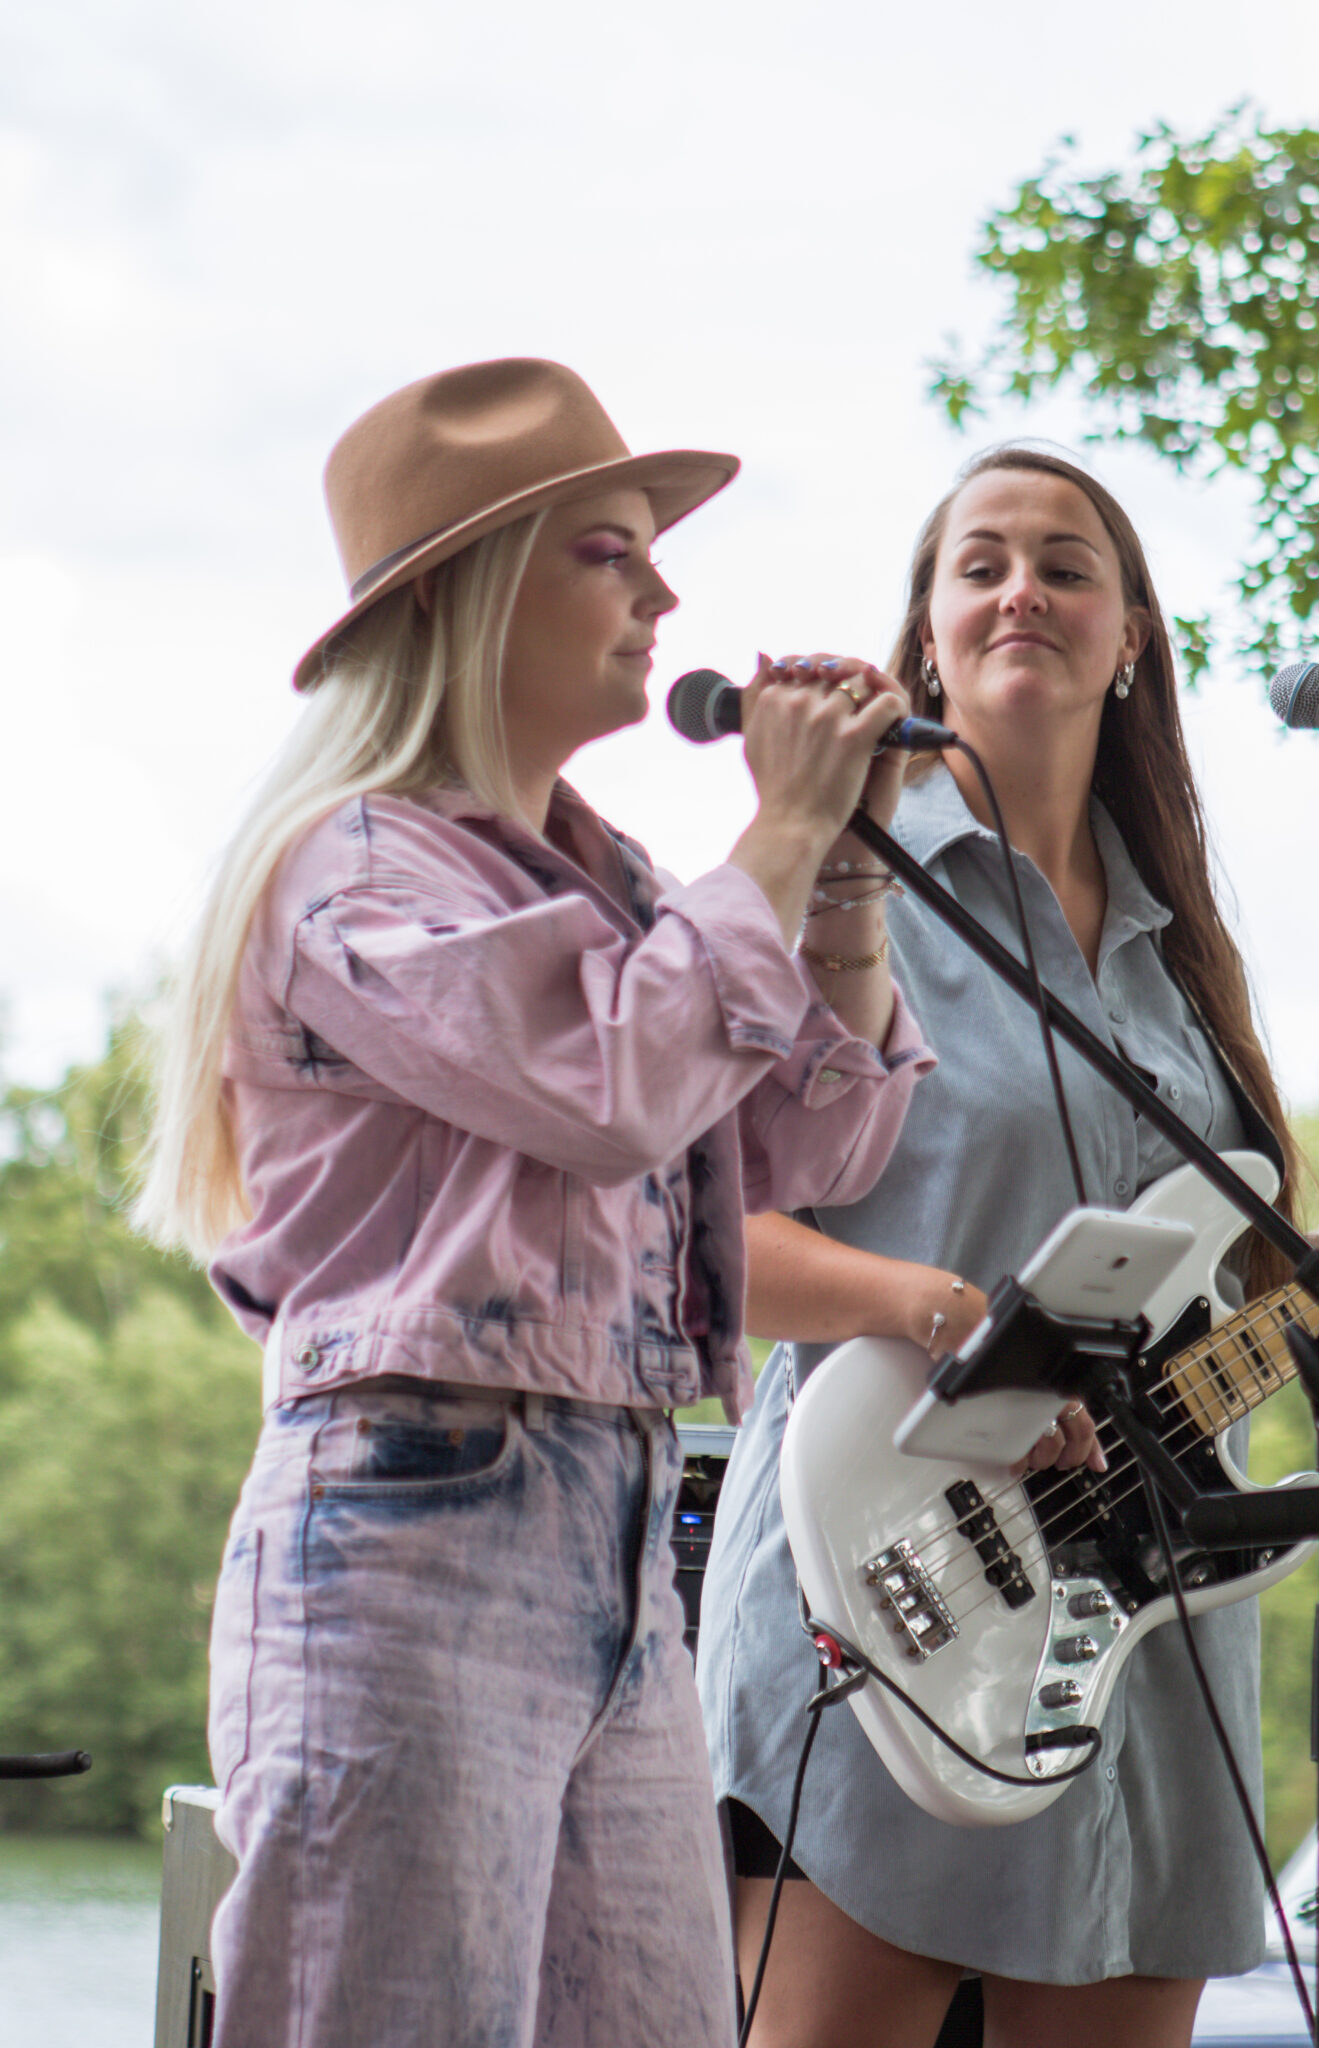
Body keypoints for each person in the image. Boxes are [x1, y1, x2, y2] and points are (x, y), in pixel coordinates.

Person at [133, 357, 936, 2048]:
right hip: (411, 1524)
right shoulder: (354, 868)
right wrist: (781, 828)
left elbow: (808, 1156)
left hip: (626, 1528)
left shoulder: (631, 888)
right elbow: (613, 1090)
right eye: (609, 552)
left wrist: (844, 865)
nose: (664, 595)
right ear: (465, 593)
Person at [696, 445, 1303, 2048]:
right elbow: (695, 1232)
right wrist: (948, 1311)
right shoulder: (848, 882)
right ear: (928, 636)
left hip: (1147, 1600)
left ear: (1133, 639)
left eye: (1064, 563)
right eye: (977, 565)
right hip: (885, 1584)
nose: (1019, 588)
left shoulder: (1182, 964)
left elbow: (1222, 1290)